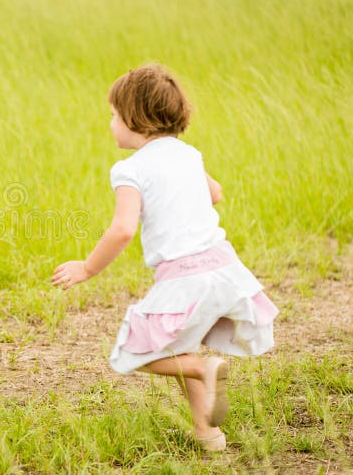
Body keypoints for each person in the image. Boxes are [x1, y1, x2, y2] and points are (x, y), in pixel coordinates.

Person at [51, 64, 278, 451]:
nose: (110, 124)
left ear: (134, 119)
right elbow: (217, 193)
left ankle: (203, 370)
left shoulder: (129, 170)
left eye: (113, 116)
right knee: (181, 344)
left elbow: (122, 229)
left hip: (183, 278)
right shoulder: (189, 154)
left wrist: (87, 268)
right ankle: (209, 434)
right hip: (223, 267)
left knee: (134, 352)